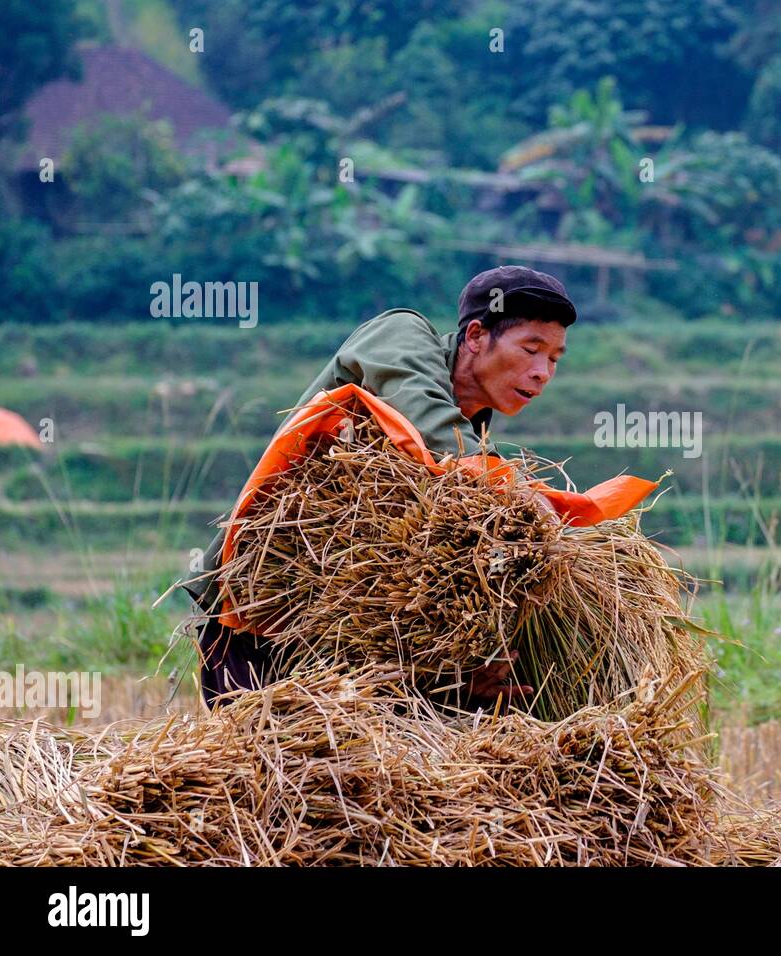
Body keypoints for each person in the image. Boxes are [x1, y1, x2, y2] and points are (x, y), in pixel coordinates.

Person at [185, 265, 576, 710]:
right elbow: (424, 419)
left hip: (351, 638)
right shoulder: (401, 336)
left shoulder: (473, 435)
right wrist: (526, 498)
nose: (543, 372)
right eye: (531, 349)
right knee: (272, 766)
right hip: (266, 612)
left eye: (555, 360)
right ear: (474, 336)